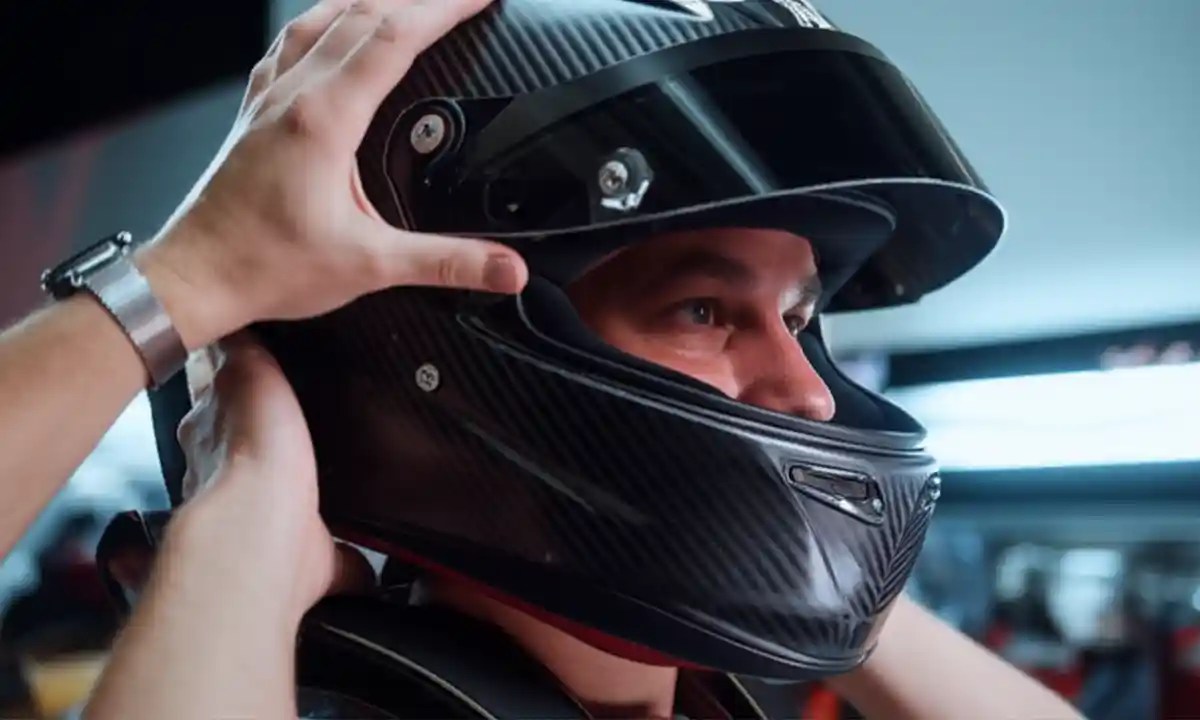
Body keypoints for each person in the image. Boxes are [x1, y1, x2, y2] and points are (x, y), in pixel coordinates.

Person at [0, 0, 1086, 718]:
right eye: (704, 309)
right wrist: (239, 503)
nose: (806, 390)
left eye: (797, 321)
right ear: (461, 360)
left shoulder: (717, 689)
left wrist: (801, 567)